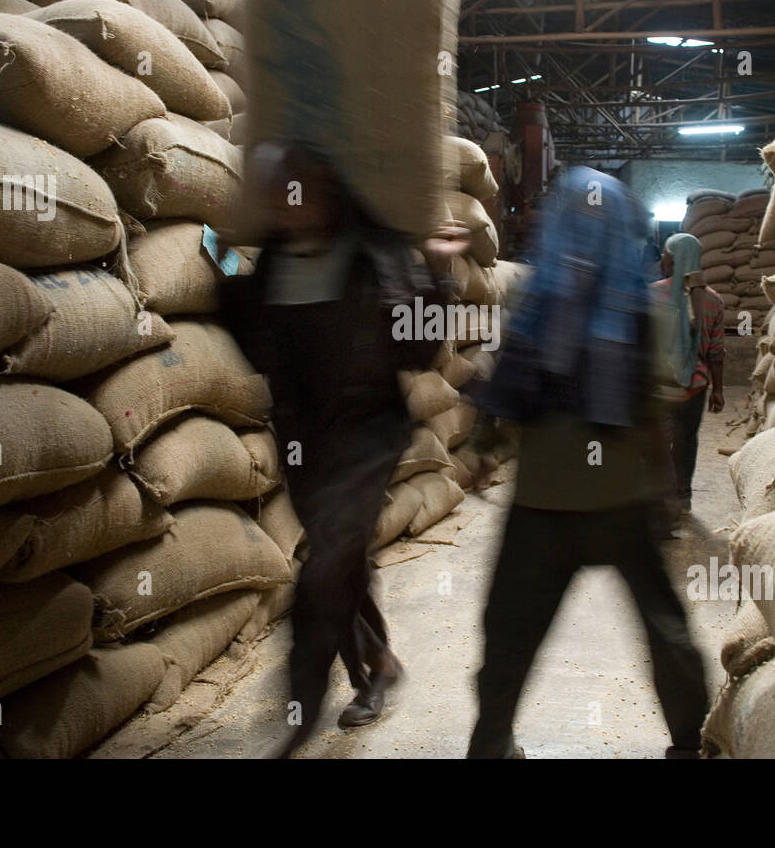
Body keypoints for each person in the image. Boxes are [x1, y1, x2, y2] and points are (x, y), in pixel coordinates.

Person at [219, 141, 468, 757]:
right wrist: (224, 276)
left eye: (297, 190)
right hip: (304, 441)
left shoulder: (381, 255)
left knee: (326, 562)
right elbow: (259, 352)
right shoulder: (274, 266)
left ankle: (300, 711)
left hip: (370, 434)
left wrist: (437, 274)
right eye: (276, 193)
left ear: (328, 194)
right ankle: (379, 664)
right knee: (344, 560)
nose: (286, 204)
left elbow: (419, 353)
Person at [465, 166, 710, 759]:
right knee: (653, 627)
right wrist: (665, 490)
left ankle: (495, 740)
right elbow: (652, 408)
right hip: (599, 500)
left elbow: (511, 383)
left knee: (515, 631)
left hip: (562, 503)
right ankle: (690, 741)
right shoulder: (624, 303)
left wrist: (485, 446)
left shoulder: (548, 297)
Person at [652, 232, 725, 515]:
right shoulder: (713, 301)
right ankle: (682, 497)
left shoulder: (652, 293)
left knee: (659, 443)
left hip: (660, 388)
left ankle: (661, 501)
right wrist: (717, 390)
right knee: (686, 441)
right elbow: (716, 352)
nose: (662, 261)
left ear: (671, 259)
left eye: (665, 256)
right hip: (696, 387)